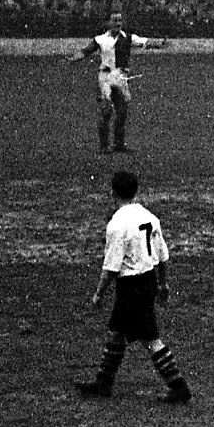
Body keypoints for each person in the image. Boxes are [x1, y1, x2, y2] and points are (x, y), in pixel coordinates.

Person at [76, 170, 192, 404]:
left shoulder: (117, 224)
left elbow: (111, 267)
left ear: (113, 192)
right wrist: (163, 284)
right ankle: (104, 381)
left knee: (150, 339)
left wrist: (99, 294)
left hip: (131, 286)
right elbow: (162, 256)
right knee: (117, 332)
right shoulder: (150, 217)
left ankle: (178, 386)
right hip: (147, 280)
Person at [67, 12, 171, 154]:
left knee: (122, 112)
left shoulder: (128, 38)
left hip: (121, 76)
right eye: (115, 20)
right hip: (106, 76)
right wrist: (73, 58)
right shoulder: (101, 39)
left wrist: (160, 44)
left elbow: (145, 42)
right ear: (109, 22)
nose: (117, 23)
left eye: (119, 20)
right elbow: (86, 51)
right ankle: (104, 146)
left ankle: (118, 144)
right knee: (107, 110)